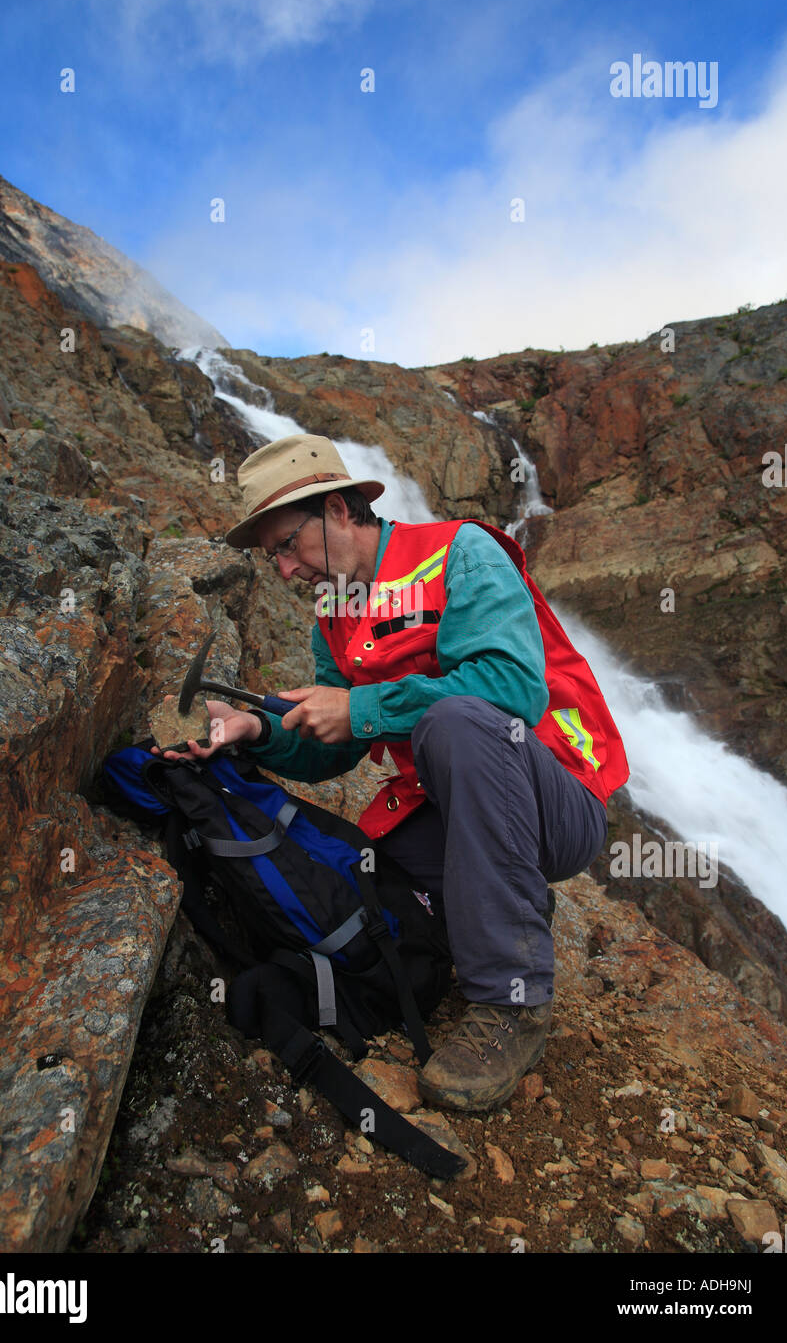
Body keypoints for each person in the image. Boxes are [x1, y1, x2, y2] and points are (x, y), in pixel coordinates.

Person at [155, 433, 629, 1111]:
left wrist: (360, 706)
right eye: (272, 557)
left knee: (456, 723)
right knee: (381, 881)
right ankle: (503, 912)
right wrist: (256, 730)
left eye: (288, 544)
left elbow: (513, 691)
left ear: (341, 510)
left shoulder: (462, 553)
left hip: (558, 798)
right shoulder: (335, 616)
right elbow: (333, 751)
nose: (285, 571)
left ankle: (513, 1005)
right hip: (454, 807)